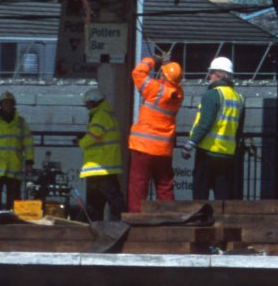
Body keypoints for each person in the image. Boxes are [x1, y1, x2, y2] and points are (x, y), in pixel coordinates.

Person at [127, 56, 184, 212]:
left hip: (143, 146)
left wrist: (152, 60)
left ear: (163, 75)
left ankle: (136, 216)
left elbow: (138, 72)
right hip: (164, 148)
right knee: (164, 185)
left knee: (139, 184)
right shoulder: (178, 94)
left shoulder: (155, 89)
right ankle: (168, 215)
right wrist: (166, 66)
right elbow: (170, 83)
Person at [189, 57, 244, 201]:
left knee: (201, 192)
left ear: (219, 74)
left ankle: (201, 221)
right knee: (222, 194)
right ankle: (222, 222)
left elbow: (205, 123)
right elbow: (239, 129)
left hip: (207, 152)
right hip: (227, 154)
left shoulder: (213, 94)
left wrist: (190, 143)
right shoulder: (238, 98)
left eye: (212, 73)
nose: (209, 76)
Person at [75, 88, 124, 222]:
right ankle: (102, 225)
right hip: (102, 166)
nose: (87, 107)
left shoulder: (101, 115)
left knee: (109, 199)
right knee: (98, 201)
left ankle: (116, 224)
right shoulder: (106, 114)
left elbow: (93, 135)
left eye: (88, 104)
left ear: (94, 102)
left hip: (101, 166)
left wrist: (81, 142)